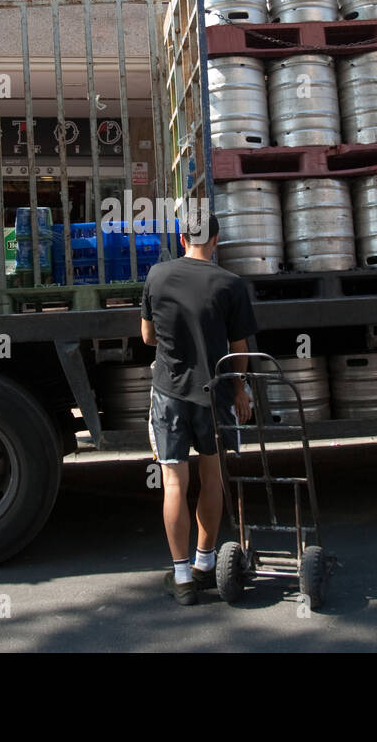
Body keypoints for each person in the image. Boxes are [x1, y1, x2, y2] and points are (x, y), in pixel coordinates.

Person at [140, 211, 257, 606]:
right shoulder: (231, 284)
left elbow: (147, 336)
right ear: (216, 240)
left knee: (174, 483)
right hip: (214, 394)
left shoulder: (157, 275)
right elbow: (239, 348)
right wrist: (239, 390)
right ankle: (205, 563)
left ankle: (181, 578)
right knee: (212, 478)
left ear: (182, 238)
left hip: (169, 393)